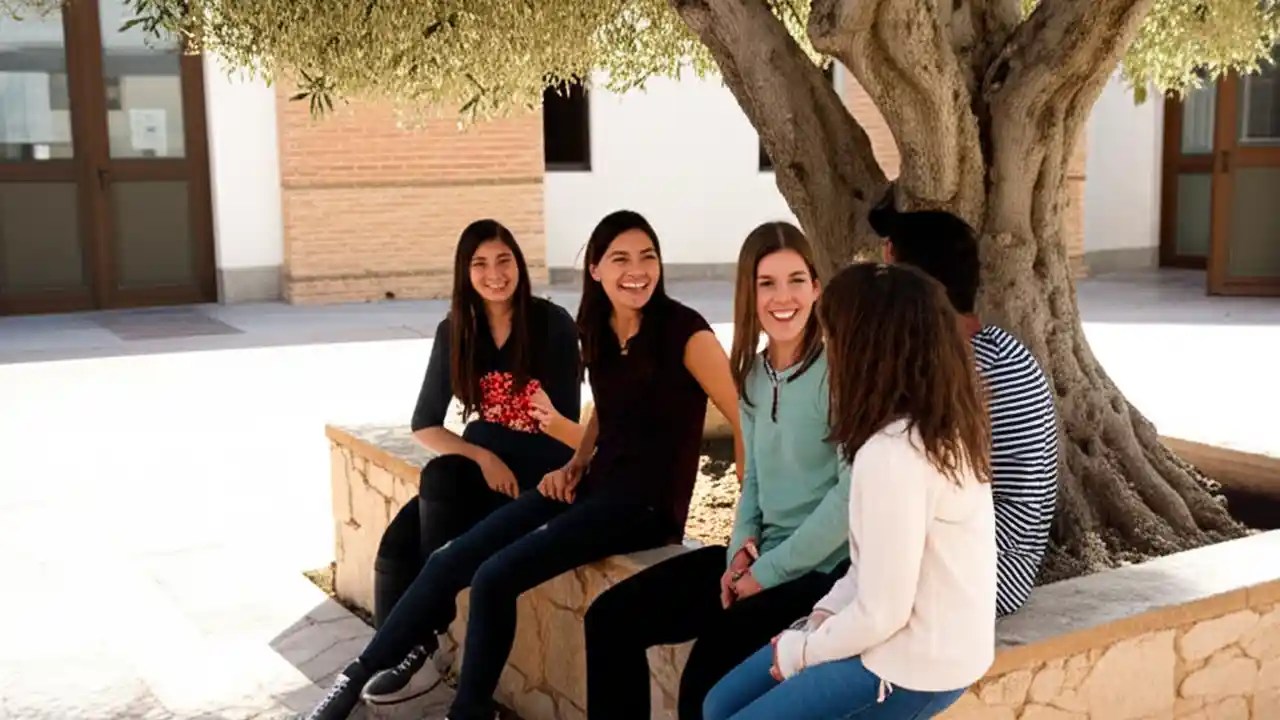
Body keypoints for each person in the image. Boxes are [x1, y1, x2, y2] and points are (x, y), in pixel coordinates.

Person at [303, 209, 743, 720]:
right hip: (593, 485)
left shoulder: (686, 332)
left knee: (495, 575)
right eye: (621, 258)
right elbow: (606, 408)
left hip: (643, 505)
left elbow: (743, 416)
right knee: (449, 559)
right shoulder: (599, 327)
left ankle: (467, 712)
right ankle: (352, 680)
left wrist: (749, 515)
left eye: (648, 256)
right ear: (595, 269)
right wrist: (576, 463)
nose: (638, 269)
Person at [702, 262, 998, 720]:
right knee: (717, 703)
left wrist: (800, 652)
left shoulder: (895, 454)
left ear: (867, 350)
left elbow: (883, 614)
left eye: (833, 337)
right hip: (904, 642)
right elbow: (871, 569)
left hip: (908, 665)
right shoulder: (930, 426)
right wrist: (819, 618)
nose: (828, 351)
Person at [584, 222, 849, 720]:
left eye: (796, 280)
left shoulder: (842, 374)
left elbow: (847, 503)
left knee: (702, 686)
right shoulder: (751, 372)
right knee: (609, 620)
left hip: (818, 573)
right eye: (766, 283)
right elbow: (754, 482)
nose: (782, 297)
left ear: (816, 286)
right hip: (757, 561)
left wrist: (765, 573)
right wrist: (738, 554)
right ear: (749, 293)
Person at [372, 219, 583, 630]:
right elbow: (424, 424)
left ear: (519, 265)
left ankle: (428, 621)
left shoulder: (552, 324)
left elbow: (566, 427)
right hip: (482, 473)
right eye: (480, 264)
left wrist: (500, 458)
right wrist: (483, 457)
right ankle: (385, 662)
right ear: (465, 273)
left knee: (441, 483)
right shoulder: (455, 331)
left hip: (537, 475)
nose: (494, 274)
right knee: (396, 546)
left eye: (504, 261)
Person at [870, 187, 1059, 616]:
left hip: (977, 580)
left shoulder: (971, 372)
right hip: (967, 567)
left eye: (889, 271)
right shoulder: (984, 351)